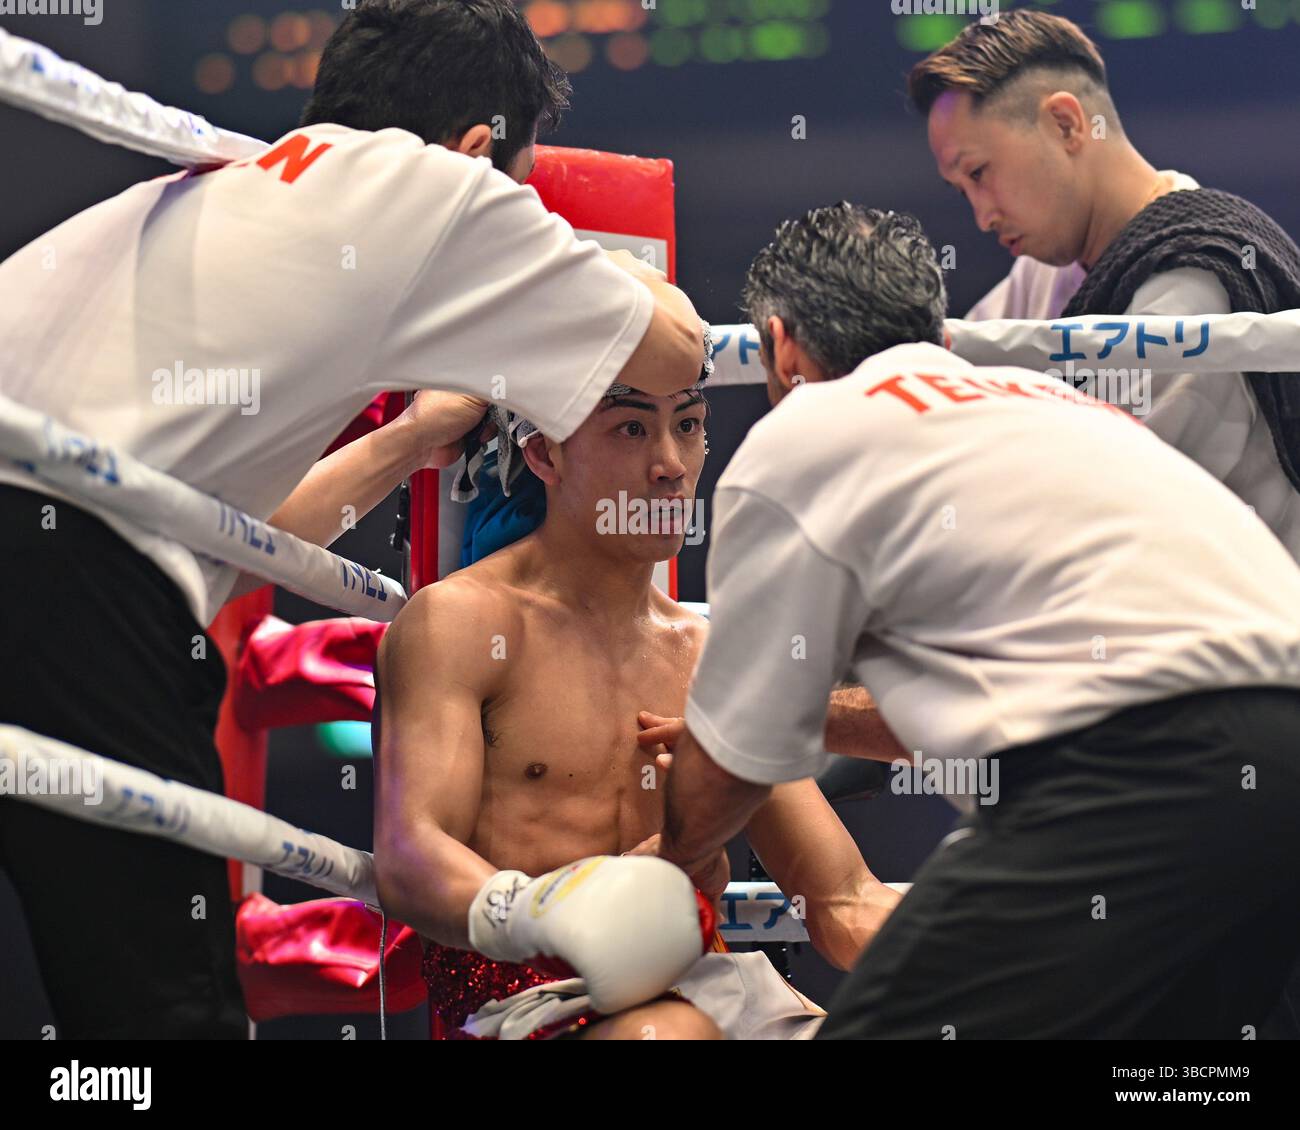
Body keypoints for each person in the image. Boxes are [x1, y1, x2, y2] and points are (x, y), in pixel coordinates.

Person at [0, 0, 703, 1039]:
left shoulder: (210, 190)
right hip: (76, 584)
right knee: (160, 1018)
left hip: (69, 543)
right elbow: (674, 348)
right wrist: (534, 213)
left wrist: (415, 436)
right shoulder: (437, 187)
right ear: (475, 149)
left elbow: (231, 531)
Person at [656, 202, 1300, 1038]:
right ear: (943, 337)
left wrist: (644, 885)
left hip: (1132, 773)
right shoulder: (1045, 402)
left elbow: (729, 777)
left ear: (781, 347)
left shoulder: (804, 436)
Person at [372, 371, 902, 1039]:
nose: (671, 466)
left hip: (706, 994)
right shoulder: (462, 623)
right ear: (545, 454)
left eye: (688, 424)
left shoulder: (710, 656)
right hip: (530, 1001)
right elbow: (410, 854)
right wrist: (560, 911)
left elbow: (840, 896)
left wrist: (975, 977)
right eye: (630, 428)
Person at [912, 8, 1300, 560]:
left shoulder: (1188, 283)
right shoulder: (1042, 274)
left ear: (1066, 125)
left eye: (979, 173)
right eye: (962, 190)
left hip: (1230, 625)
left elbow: (1108, 524)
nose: (981, 216)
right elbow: (942, 396)